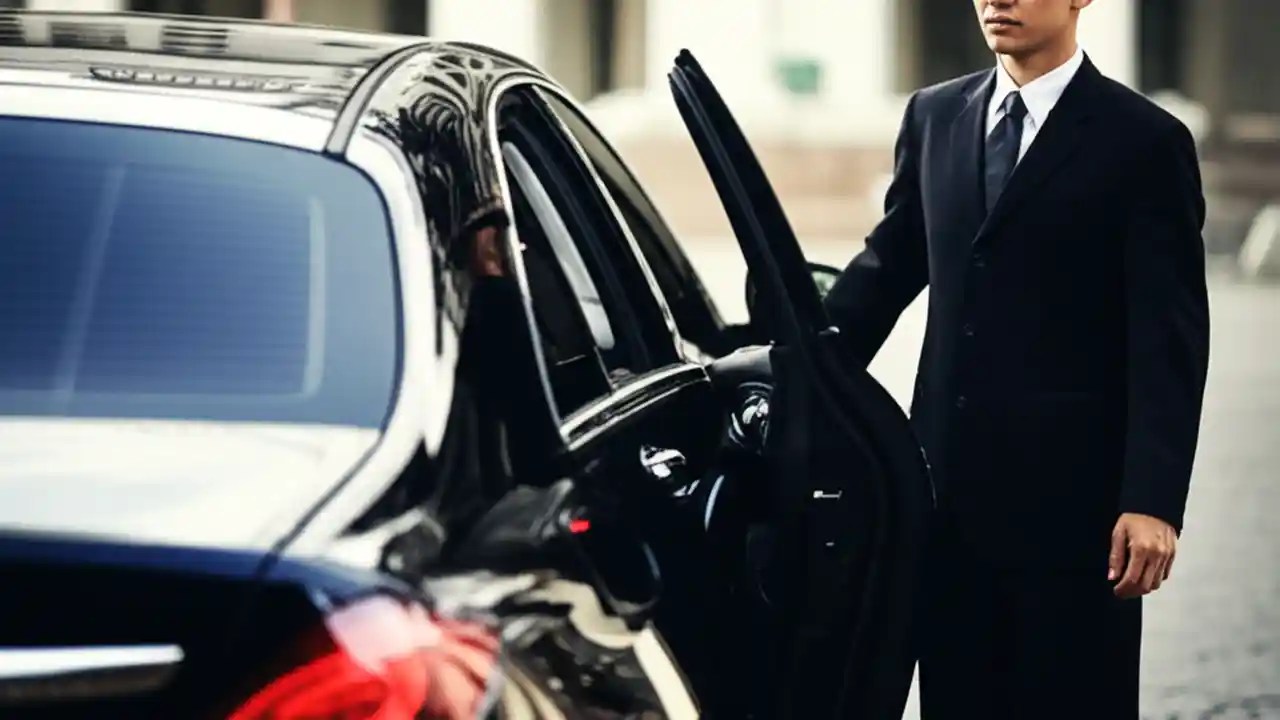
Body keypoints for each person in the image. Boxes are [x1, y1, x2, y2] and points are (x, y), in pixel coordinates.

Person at [822, 0, 1210, 717]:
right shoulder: (935, 117)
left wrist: (1152, 501)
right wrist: (788, 362)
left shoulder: (1145, 141)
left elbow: (1168, 339)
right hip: (946, 502)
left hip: (1077, 516)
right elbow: (883, 273)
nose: (997, 0)